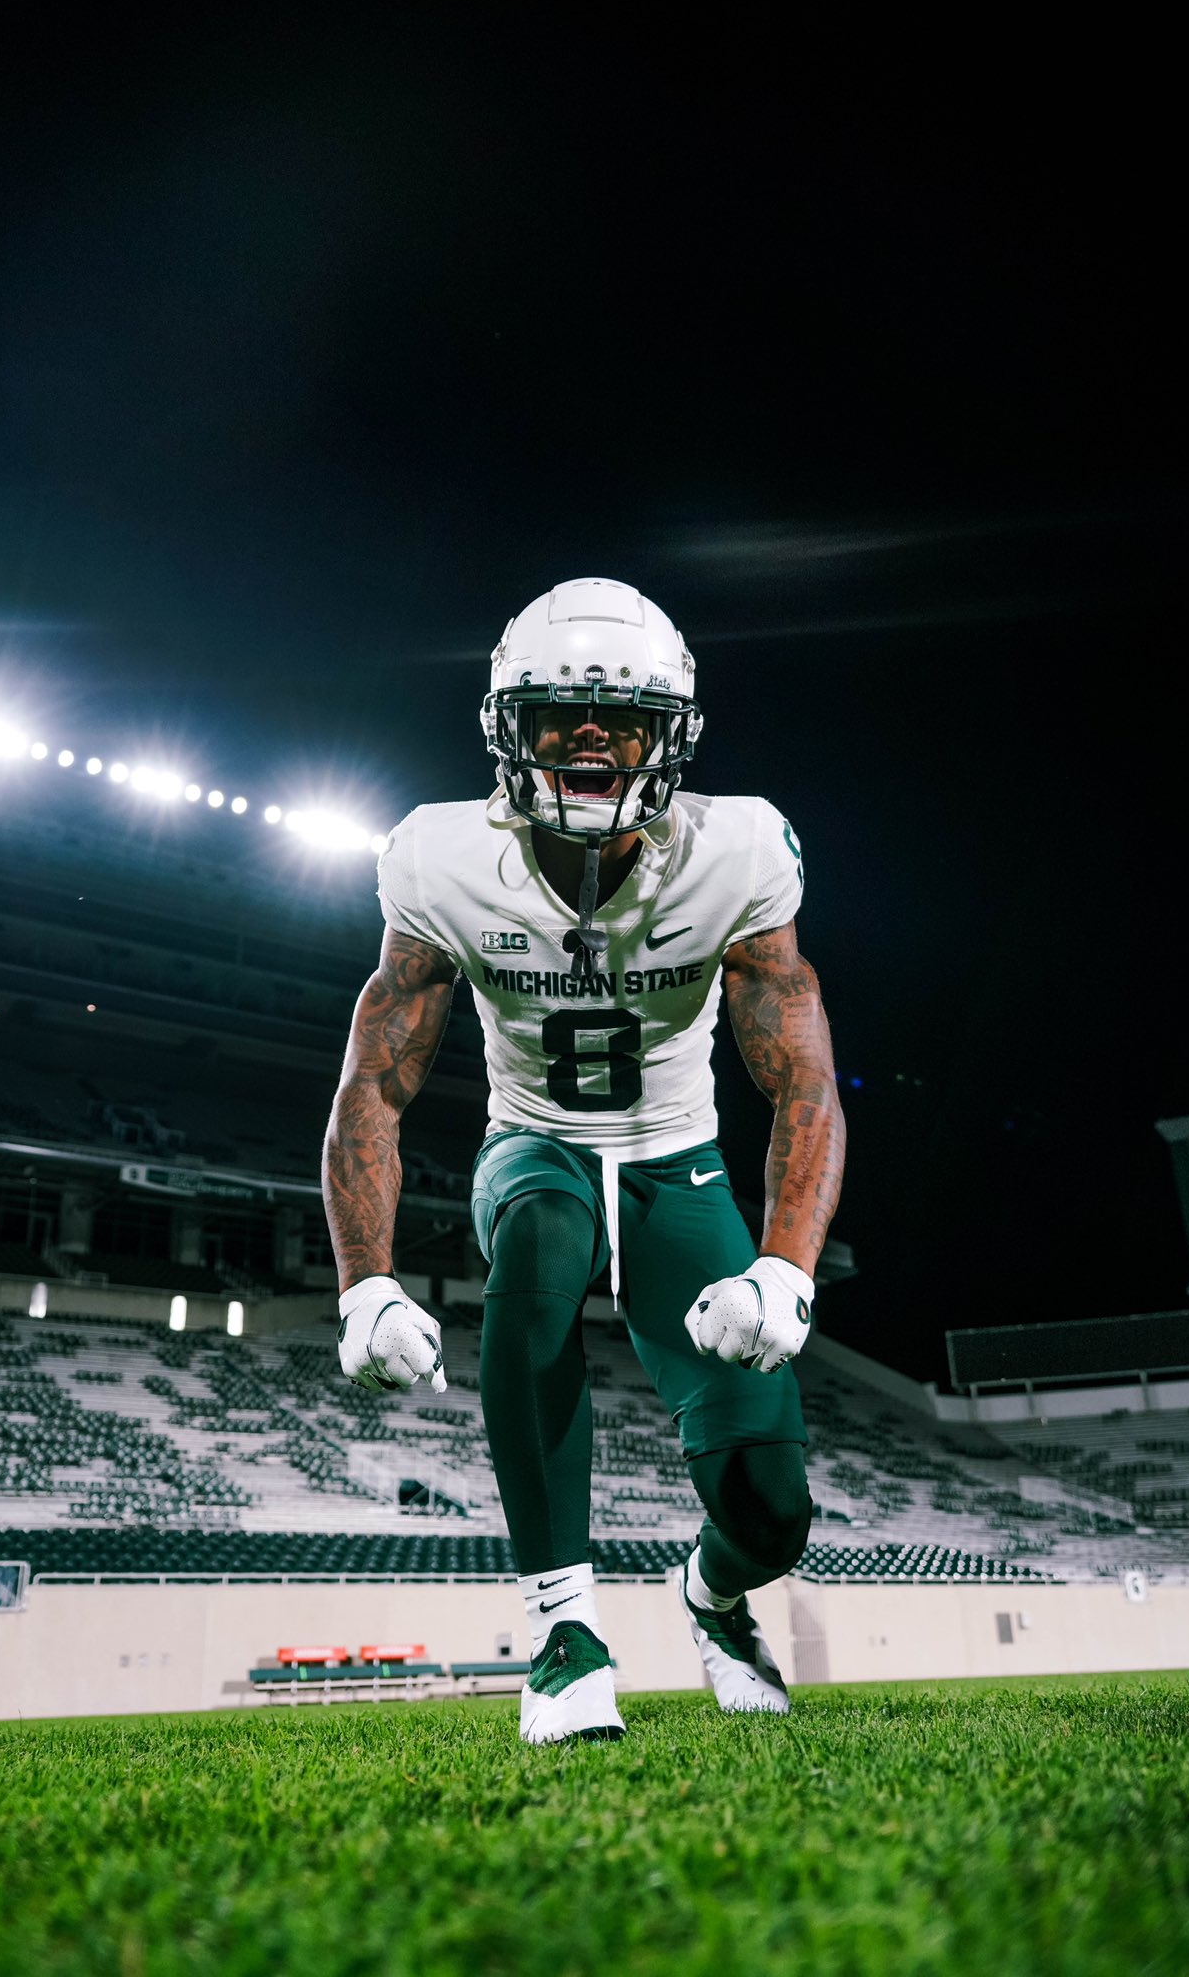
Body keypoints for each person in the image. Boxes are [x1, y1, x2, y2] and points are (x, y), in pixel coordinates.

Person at [323, 577, 845, 1742]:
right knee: (543, 1237)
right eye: (561, 710)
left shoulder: (736, 848)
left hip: (677, 1160)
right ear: (510, 723)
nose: (592, 736)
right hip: (535, 1143)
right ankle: (564, 1631)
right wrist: (364, 1281)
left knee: (772, 1512)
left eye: (625, 717)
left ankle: (709, 1596)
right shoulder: (440, 856)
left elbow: (802, 1079)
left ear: (672, 735)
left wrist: (784, 1267)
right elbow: (375, 1082)